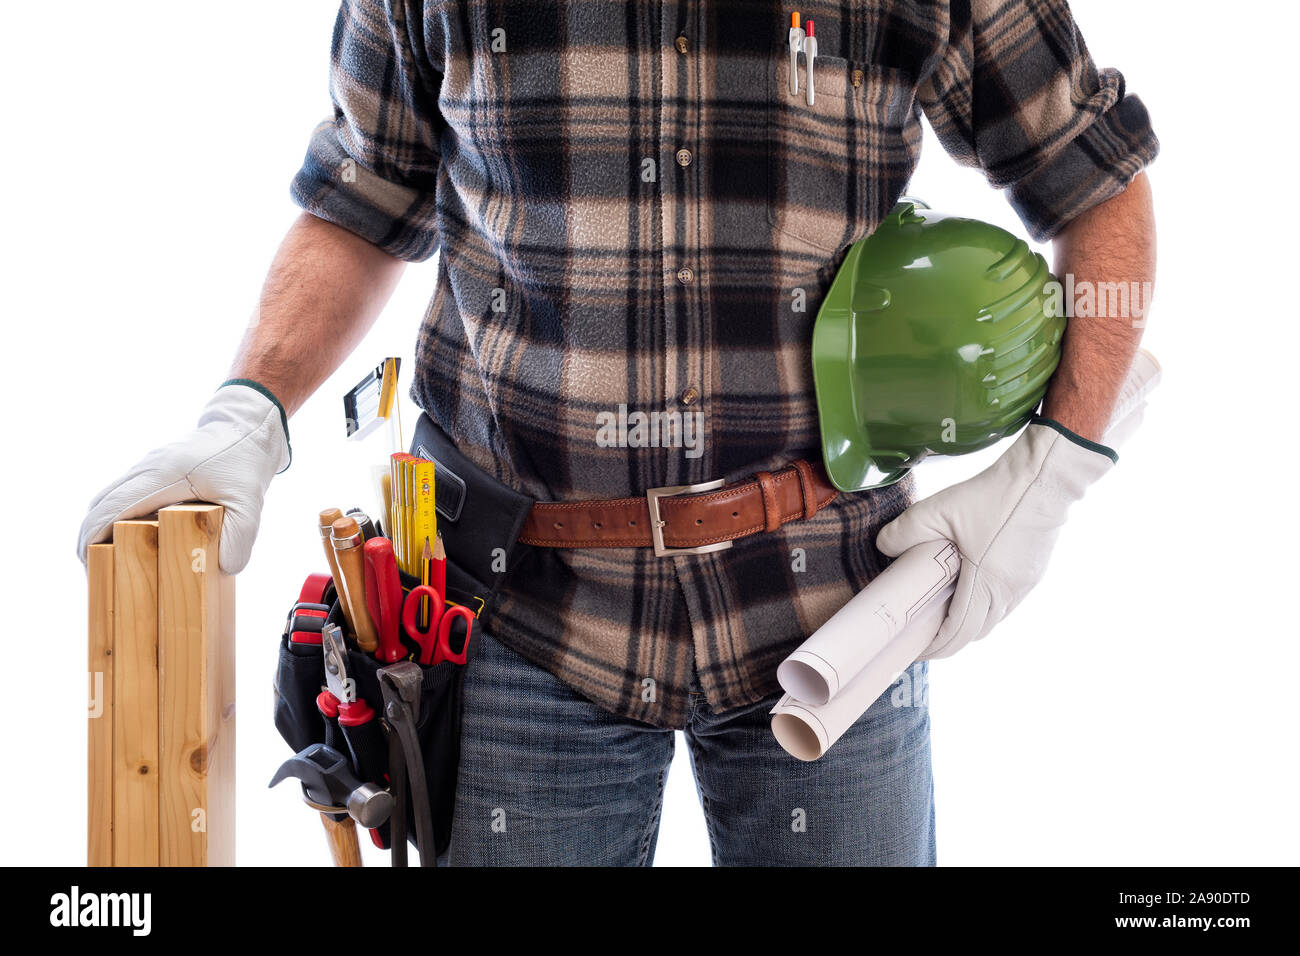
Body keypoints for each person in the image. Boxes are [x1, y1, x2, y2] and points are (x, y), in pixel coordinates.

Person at [78, 0, 1157, 866]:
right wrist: (250, 410)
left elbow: (1092, 182)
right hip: (518, 611)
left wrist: (1050, 473)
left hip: (831, 607)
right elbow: (364, 199)